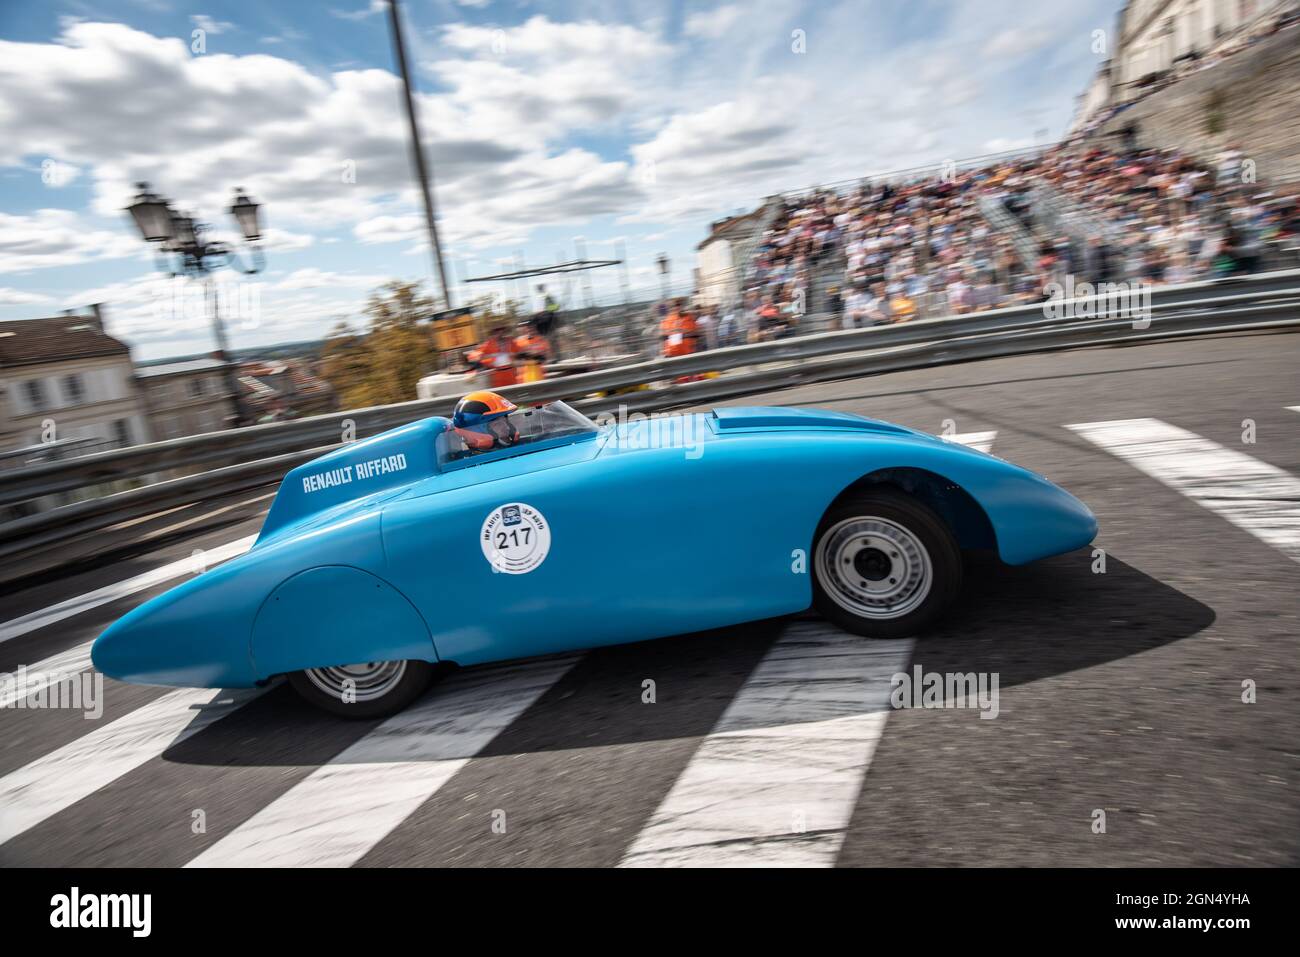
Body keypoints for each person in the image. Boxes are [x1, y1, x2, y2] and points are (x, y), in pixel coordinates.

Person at [449, 390, 520, 455]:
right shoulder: (467, 465)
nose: (507, 427)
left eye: (506, 421)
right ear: (476, 430)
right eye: (497, 424)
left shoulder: (518, 448)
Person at [465, 322, 521, 388]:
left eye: (501, 330)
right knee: (500, 394)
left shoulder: (510, 341)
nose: (499, 332)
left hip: (511, 372)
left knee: (514, 392)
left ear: (504, 331)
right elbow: (474, 356)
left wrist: (513, 354)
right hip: (497, 373)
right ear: (493, 333)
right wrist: (489, 356)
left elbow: (519, 352)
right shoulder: (489, 343)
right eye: (496, 331)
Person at [513, 318, 550, 382]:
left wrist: (535, 355)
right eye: (528, 326)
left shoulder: (542, 340)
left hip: (539, 375)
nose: (530, 328)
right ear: (525, 328)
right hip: (523, 378)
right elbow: (515, 361)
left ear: (535, 327)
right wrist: (530, 356)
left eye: (532, 326)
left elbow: (546, 357)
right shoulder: (518, 341)